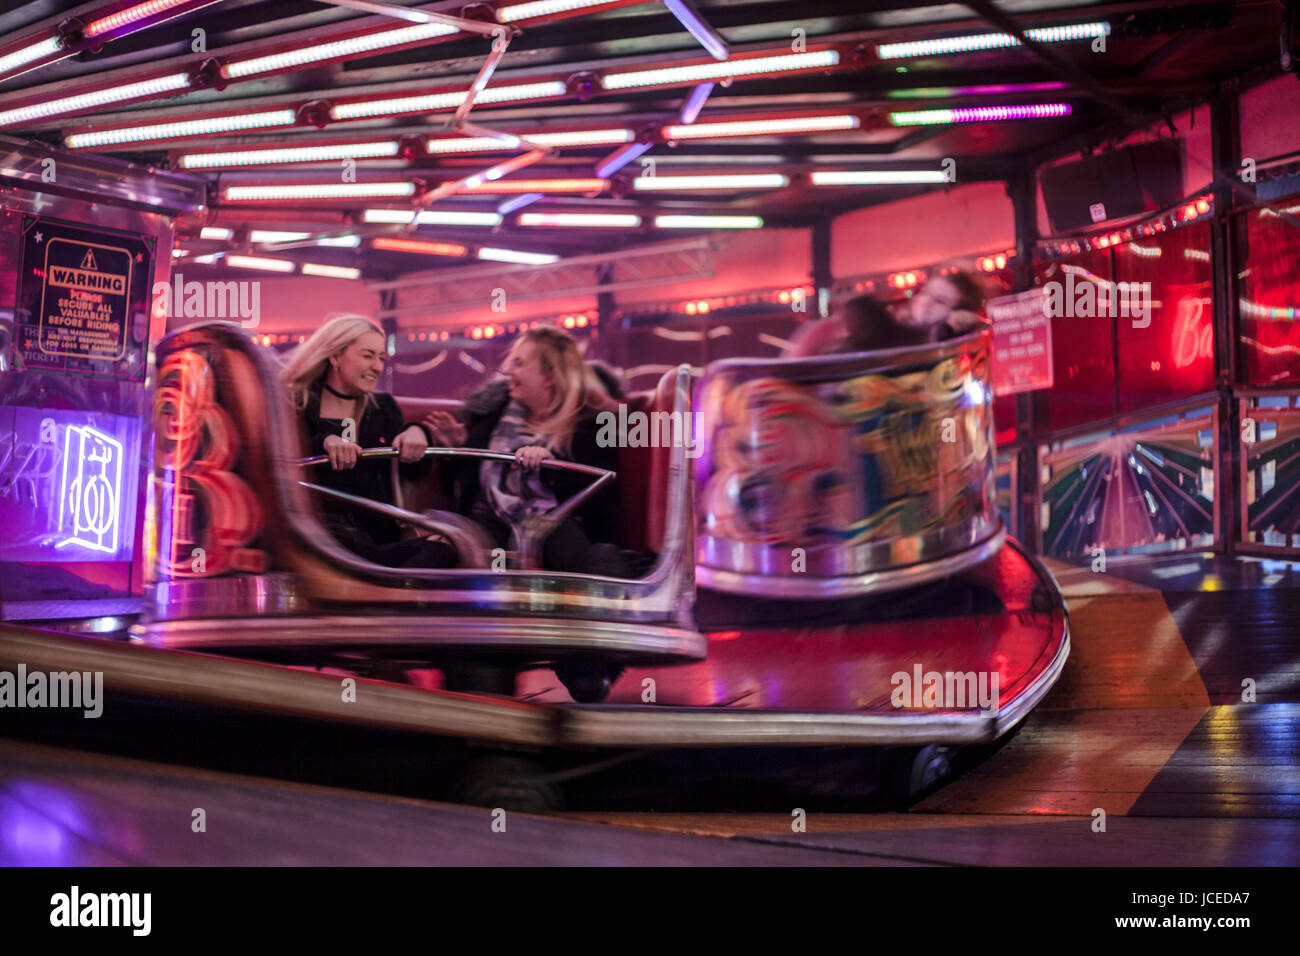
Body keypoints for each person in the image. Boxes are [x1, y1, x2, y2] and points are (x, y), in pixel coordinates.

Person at [443, 327, 629, 575]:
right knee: (442, 546)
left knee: (557, 538)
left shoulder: (592, 425)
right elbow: (460, 485)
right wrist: (452, 448)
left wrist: (551, 468)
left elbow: (601, 500)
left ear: (549, 376)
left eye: (519, 364)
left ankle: (600, 596)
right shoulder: (491, 415)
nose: (508, 372)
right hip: (488, 521)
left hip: (555, 526)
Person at [281, 314, 457, 569]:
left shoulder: (383, 408)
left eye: (381, 358)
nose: (377, 366)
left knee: (446, 546)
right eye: (367, 356)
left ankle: (386, 597)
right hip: (321, 539)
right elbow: (281, 459)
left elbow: (414, 473)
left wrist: (417, 433)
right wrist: (326, 442)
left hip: (375, 541)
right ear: (335, 356)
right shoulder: (298, 403)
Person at [783, 271, 988, 357]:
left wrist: (965, 323)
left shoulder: (946, 336)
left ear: (958, 313)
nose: (925, 303)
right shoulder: (892, 327)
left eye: (940, 301)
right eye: (926, 293)